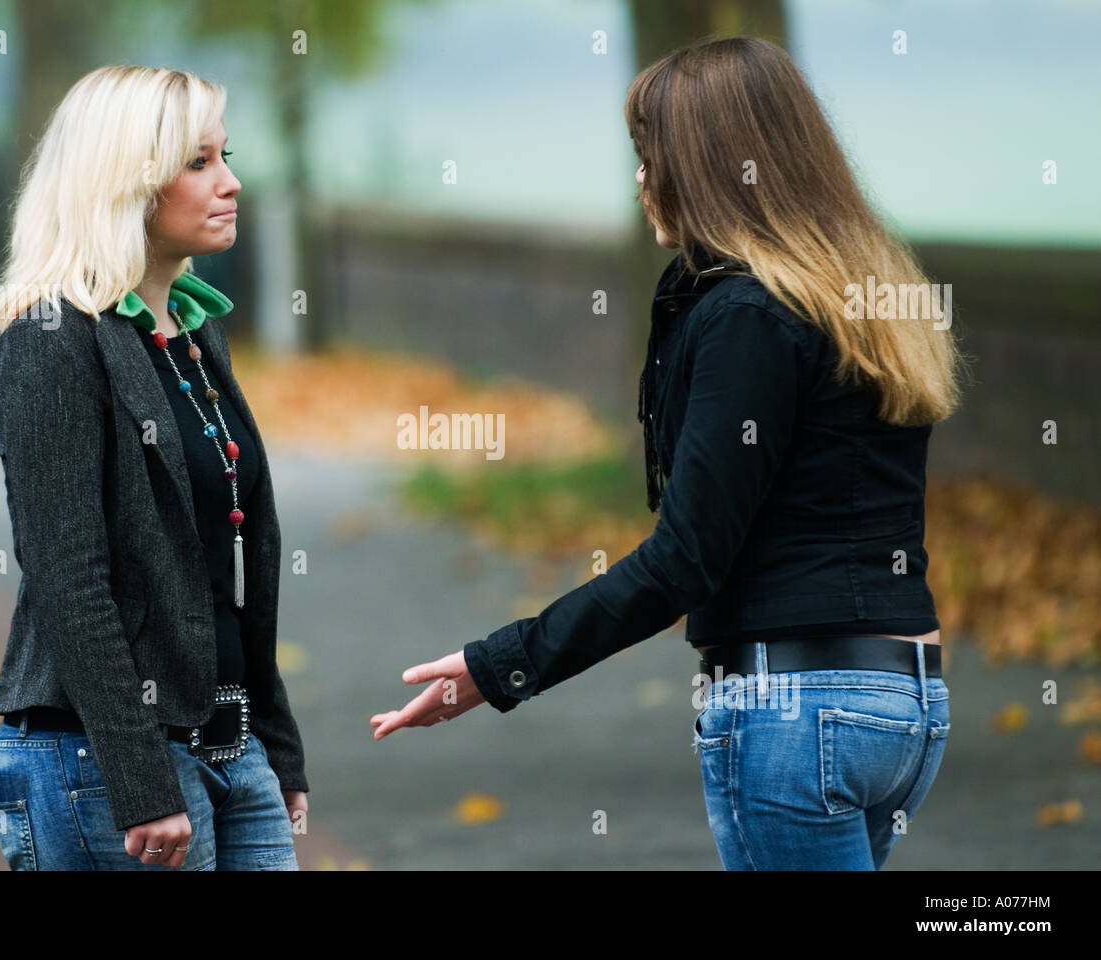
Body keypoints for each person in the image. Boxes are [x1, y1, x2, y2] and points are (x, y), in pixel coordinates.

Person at [370, 36, 970, 870]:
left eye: (651, 159)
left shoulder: (747, 318)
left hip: (794, 709)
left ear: (707, 168)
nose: (643, 182)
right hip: (903, 701)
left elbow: (685, 559)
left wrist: (497, 665)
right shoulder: (860, 307)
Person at [0, 65, 307, 870]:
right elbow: (69, 576)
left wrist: (274, 739)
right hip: (103, 763)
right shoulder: (53, 338)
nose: (230, 183)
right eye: (198, 163)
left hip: (231, 749)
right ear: (123, 180)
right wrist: (141, 781)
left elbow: (224, 568)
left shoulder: (193, 337)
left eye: (225, 156)